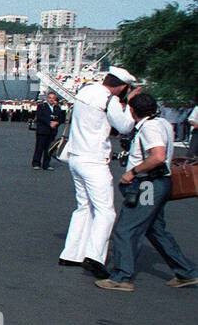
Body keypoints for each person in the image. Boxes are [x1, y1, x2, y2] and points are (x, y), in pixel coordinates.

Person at [96, 92, 198, 292]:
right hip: (159, 182)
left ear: (133, 111)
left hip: (147, 184)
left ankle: (122, 276)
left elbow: (157, 156)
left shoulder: (149, 128)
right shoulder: (162, 123)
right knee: (155, 230)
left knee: (126, 229)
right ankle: (186, 272)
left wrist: (132, 172)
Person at [58, 67, 138, 277]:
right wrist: (128, 104)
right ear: (122, 86)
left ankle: (71, 253)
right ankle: (93, 256)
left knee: (83, 206)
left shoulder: (85, 91)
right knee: (105, 211)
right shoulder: (109, 100)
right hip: (94, 159)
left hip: (75, 155)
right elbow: (125, 126)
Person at [32, 92, 63, 171]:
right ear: (47, 98)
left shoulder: (57, 108)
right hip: (42, 130)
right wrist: (49, 123)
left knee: (49, 149)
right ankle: (36, 163)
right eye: (50, 98)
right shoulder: (41, 106)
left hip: (52, 131)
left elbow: (62, 117)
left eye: (53, 98)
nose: (51, 99)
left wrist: (57, 122)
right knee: (39, 148)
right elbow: (40, 117)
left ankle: (46, 164)